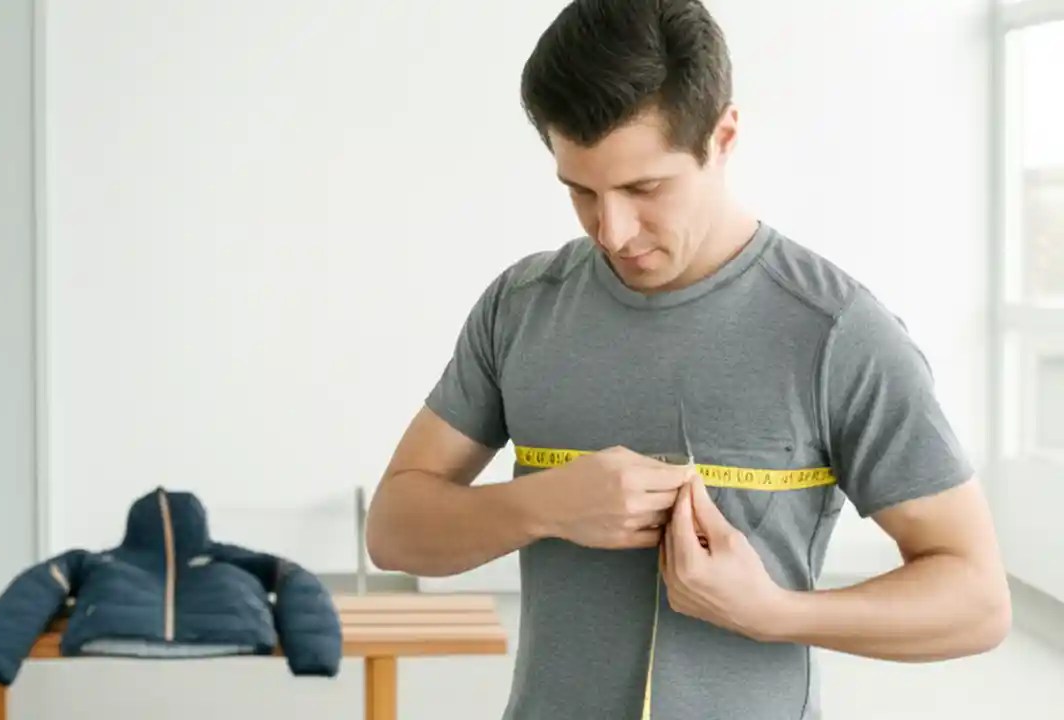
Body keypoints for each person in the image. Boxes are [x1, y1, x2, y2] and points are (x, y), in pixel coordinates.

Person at [364, 0, 1012, 718]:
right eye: (580, 190)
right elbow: (394, 531)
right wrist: (541, 504)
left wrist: (776, 613)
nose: (611, 230)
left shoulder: (835, 332)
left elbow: (977, 602)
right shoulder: (521, 307)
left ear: (724, 134)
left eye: (645, 188)